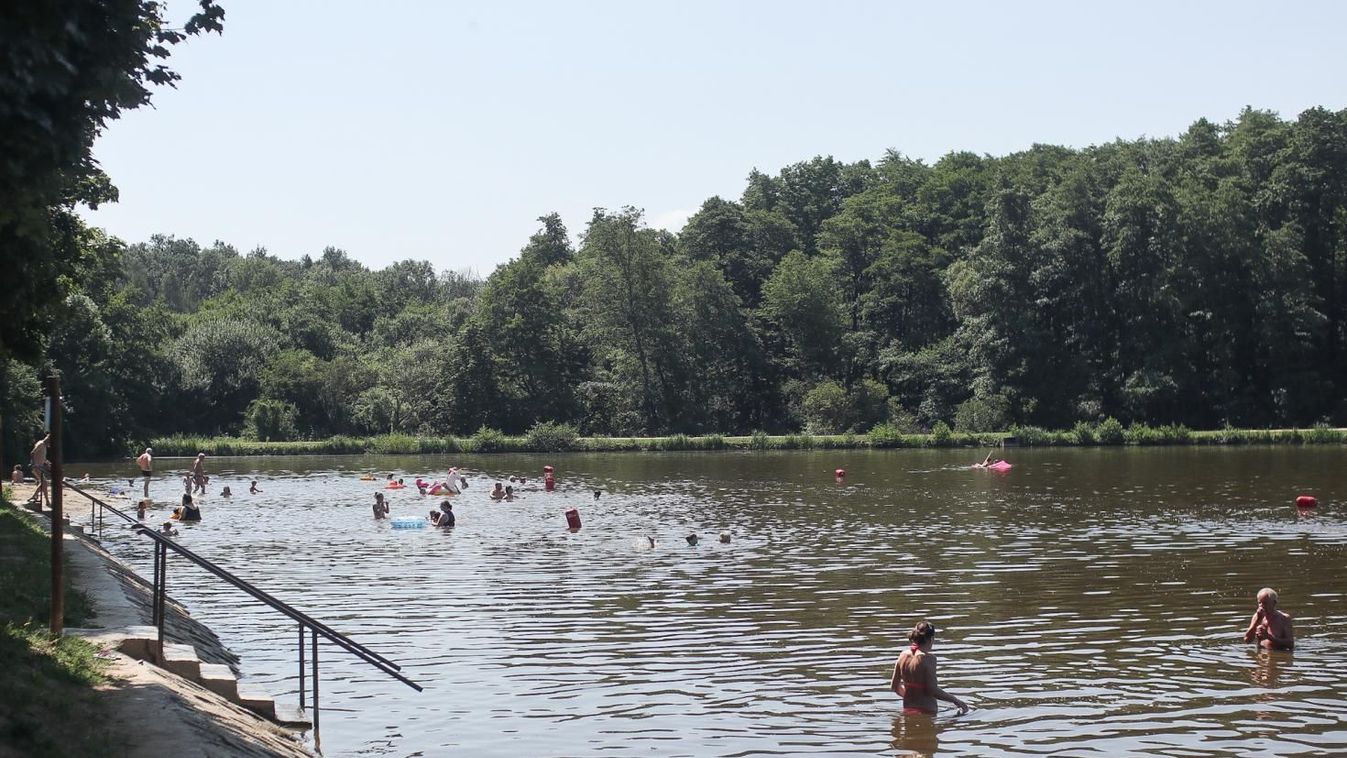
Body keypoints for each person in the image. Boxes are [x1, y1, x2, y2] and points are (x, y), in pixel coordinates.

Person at [891, 621, 970, 715]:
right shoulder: (929, 659)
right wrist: (957, 701)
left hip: (907, 709)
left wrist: (911, 697)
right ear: (931, 639)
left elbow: (894, 686)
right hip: (927, 711)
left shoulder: (902, 655)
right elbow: (932, 690)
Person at [29, 433, 50, 509]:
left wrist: (47, 463)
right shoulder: (41, 444)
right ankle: (46, 501)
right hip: (36, 467)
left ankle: (45, 500)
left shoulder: (44, 446)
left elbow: (42, 457)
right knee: (44, 482)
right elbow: (32, 452)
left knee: (43, 483)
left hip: (39, 467)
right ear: (48, 440)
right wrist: (33, 464)